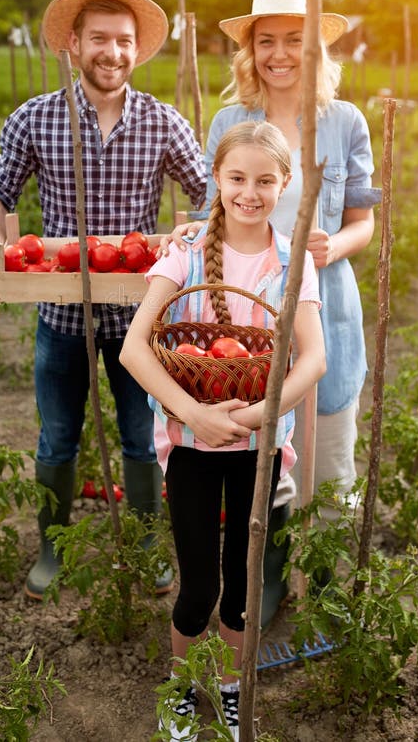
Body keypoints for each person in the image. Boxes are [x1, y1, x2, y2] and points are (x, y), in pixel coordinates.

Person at [0, 0, 206, 600]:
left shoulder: (163, 122)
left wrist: (192, 235)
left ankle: (145, 546)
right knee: (58, 436)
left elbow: (207, 194)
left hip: (139, 319)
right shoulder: (36, 118)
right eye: (99, 38)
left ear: (137, 49)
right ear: (74, 44)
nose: (113, 52)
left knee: (142, 436)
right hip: (61, 314)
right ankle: (52, 547)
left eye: (124, 40)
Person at [168, 0, 381, 626]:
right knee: (262, 461)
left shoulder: (344, 122)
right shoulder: (230, 121)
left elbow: (365, 222)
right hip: (242, 320)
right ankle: (270, 576)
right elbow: (214, 212)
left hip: (324, 309)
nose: (280, 53)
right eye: (267, 41)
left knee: (329, 464)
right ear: (250, 49)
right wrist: (188, 232)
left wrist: (331, 247)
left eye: (295, 39)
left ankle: (326, 584)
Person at [120, 120, 325, 740]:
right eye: (237, 178)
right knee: (199, 585)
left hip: (259, 449)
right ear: (216, 178)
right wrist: (196, 414)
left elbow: (313, 359)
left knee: (242, 582)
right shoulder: (184, 254)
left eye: (264, 181)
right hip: (191, 445)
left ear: (284, 184)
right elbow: (135, 349)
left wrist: (259, 416)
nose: (249, 193)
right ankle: (181, 686)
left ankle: (232, 686)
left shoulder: (291, 262)